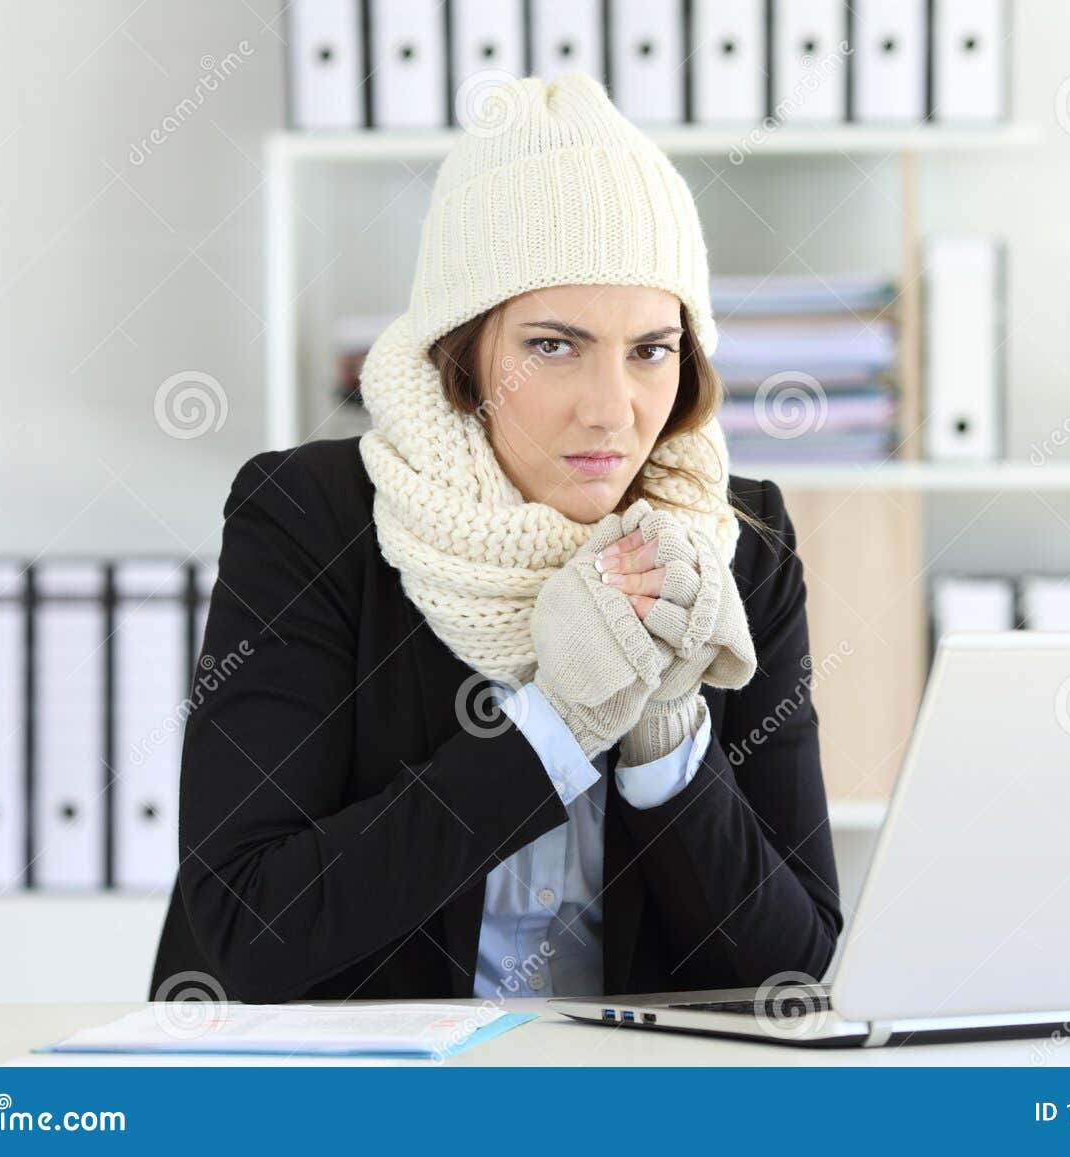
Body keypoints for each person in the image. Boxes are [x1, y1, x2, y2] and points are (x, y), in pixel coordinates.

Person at [149, 73, 840, 1004]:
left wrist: (664, 734)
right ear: (465, 357)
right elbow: (245, 929)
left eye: (651, 349)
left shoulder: (733, 547)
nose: (612, 410)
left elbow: (790, 973)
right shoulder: (312, 515)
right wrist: (559, 722)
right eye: (553, 346)